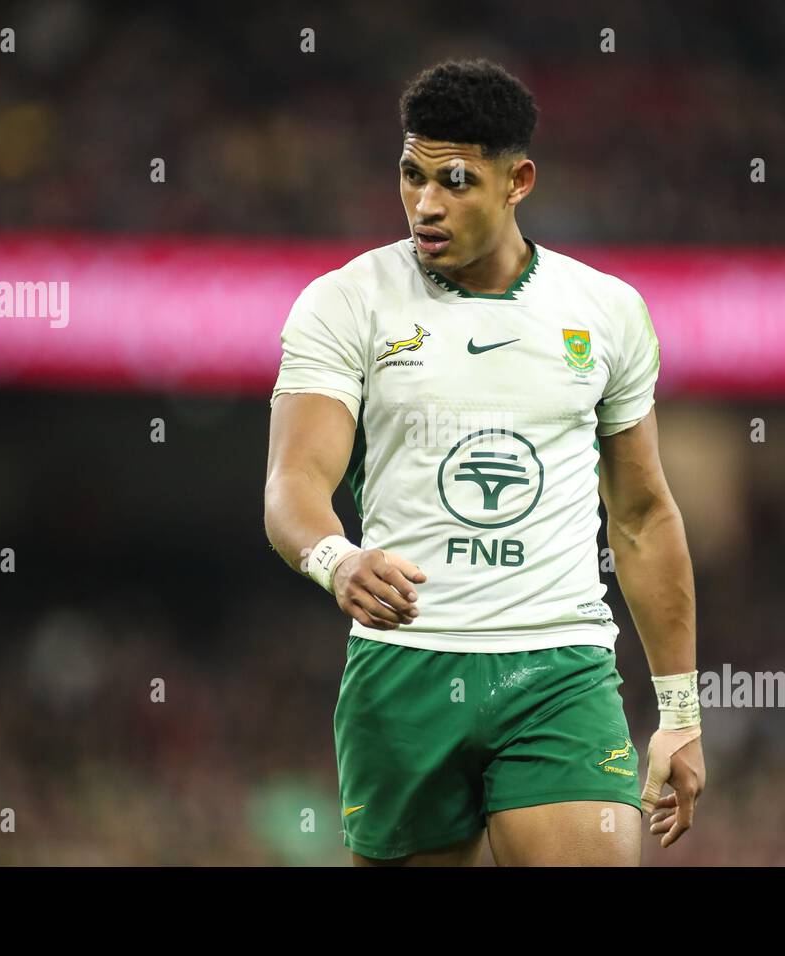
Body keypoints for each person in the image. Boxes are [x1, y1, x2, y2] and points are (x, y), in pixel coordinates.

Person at [265, 58, 703, 866]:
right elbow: (294, 480)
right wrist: (336, 558)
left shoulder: (603, 312)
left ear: (518, 180)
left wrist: (680, 709)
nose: (425, 204)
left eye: (456, 180)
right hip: (406, 669)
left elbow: (641, 516)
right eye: (411, 174)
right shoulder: (346, 302)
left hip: (559, 667)